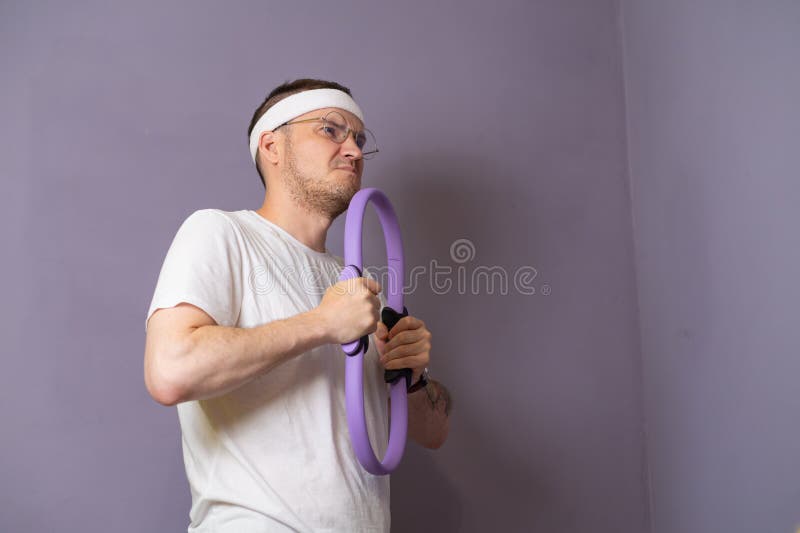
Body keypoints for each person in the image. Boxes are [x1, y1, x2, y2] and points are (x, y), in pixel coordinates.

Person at [143, 78, 452, 532]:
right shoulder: (220, 234)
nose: (353, 150)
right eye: (331, 129)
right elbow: (169, 372)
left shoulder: (363, 290)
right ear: (272, 145)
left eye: (360, 139)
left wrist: (413, 377)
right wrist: (323, 324)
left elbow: (433, 433)